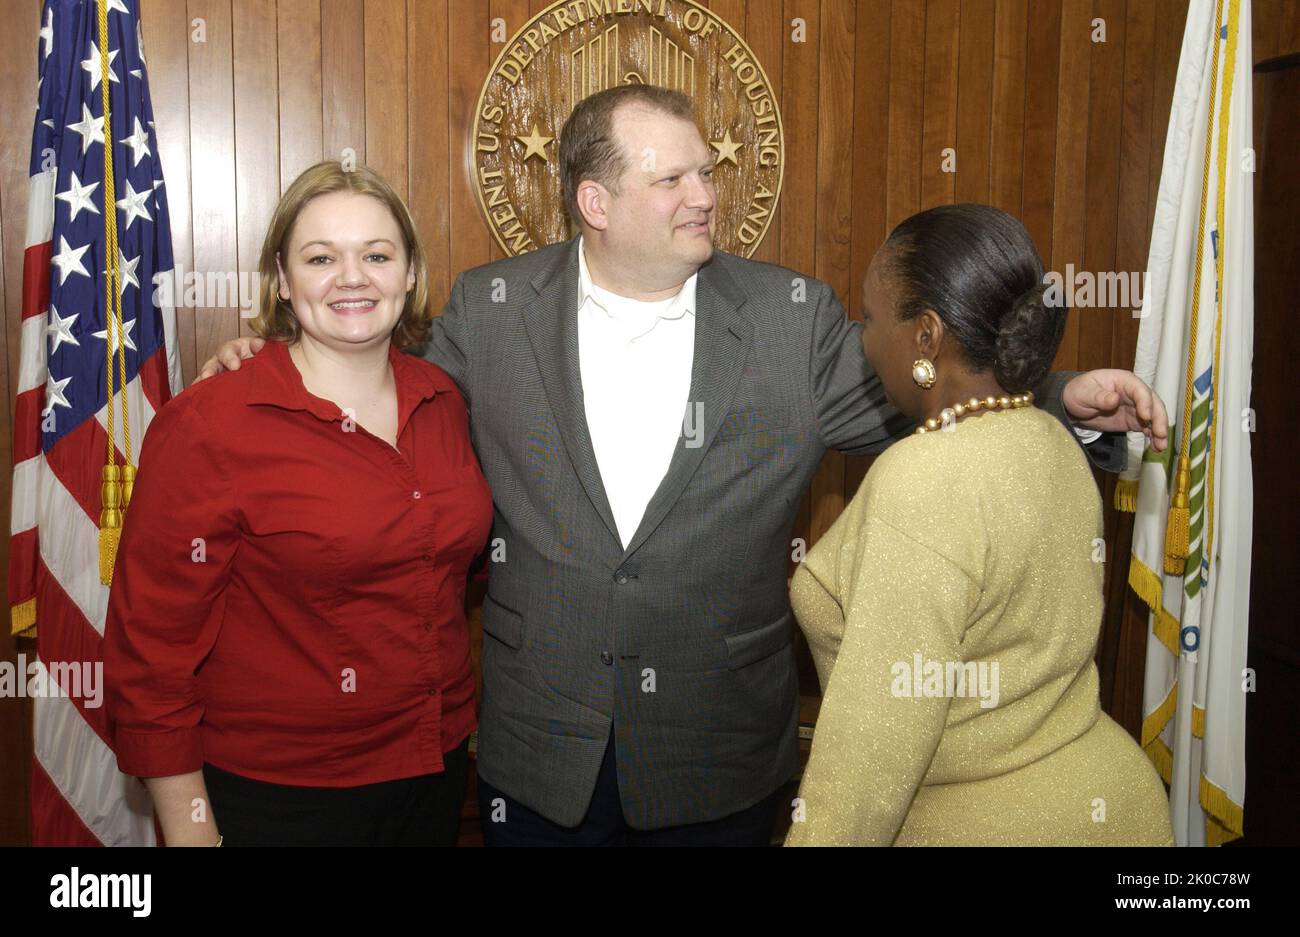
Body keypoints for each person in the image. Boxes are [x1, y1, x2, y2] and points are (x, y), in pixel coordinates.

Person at [199, 85, 1168, 846]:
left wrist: (1055, 392)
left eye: (705, 172)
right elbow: (390, 409)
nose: (705, 194)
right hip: (541, 761)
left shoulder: (789, 322)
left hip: (722, 763)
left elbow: (933, 393)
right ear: (595, 200)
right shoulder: (490, 313)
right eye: (671, 180)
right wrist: (271, 363)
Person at [104, 162, 492, 846]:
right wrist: (191, 829)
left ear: (409, 274)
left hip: (432, 773)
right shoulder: (213, 420)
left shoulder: (443, 401)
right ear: (282, 280)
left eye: (376, 254)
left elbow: (459, 567)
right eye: (321, 257)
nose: (352, 277)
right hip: (278, 798)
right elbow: (151, 654)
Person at [784, 204, 1175, 846]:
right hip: (1111, 806)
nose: (863, 338)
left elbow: (869, 759)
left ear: (927, 337)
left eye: (874, 318)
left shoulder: (921, 480)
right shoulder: (1049, 436)